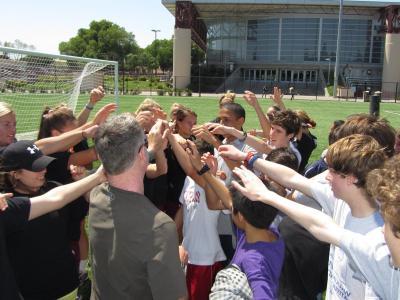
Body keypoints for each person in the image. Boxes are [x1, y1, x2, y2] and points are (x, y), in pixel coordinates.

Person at [219, 134, 388, 299]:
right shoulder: (342, 201)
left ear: (350, 179)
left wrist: (267, 196)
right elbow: (292, 178)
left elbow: (321, 226)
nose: (326, 177)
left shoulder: (377, 239)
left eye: (332, 171)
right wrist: (249, 158)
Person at [89, 114, 187, 299]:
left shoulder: (96, 196)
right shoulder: (159, 226)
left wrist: (150, 148)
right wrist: (178, 261)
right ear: (142, 154)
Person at [0, 140, 103, 299]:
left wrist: (81, 182)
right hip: (32, 291)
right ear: (15, 174)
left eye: (44, 164)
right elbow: (56, 199)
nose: (44, 170)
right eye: (36, 168)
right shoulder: (7, 207)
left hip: (67, 284)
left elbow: (83, 213)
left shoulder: (53, 187)